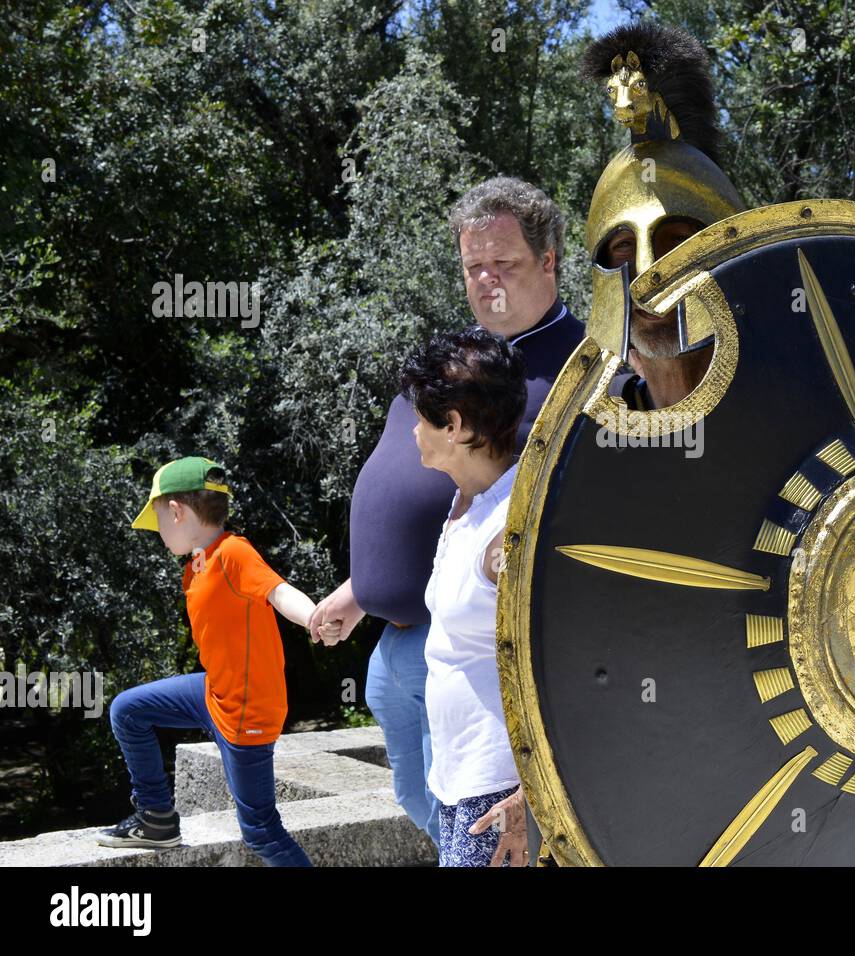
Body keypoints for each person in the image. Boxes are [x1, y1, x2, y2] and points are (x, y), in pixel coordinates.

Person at [308, 178, 584, 852]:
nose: (486, 280)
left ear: (549, 260)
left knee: (482, 829)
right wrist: (360, 589)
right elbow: (431, 499)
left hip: (484, 653)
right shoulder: (458, 361)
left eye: (504, 263)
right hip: (404, 638)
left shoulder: (586, 373)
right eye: (472, 266)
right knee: (425, 804)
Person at [97, 456, 316, 866]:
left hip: (246, 711)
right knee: (127, 710)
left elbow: (278, 591)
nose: (159, 533)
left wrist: (314, 618)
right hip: (214, 692)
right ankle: (157, 820)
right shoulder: (200, 561)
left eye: (159, 521)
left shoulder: (234, 552)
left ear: (176, 511)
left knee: (262, 832)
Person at [399, 328, 528, 866]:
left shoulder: (512, 527)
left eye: (421, 419)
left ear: (453, 426)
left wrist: (528, 798)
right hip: (460, 778)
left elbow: (571, 664)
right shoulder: (467, 503)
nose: (413, 431)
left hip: (498, 791)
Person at [579, 21, 748, 410]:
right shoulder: (593, 433)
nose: (648, 270)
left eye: (678, 240)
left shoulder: (797, 410)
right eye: (624, 245)